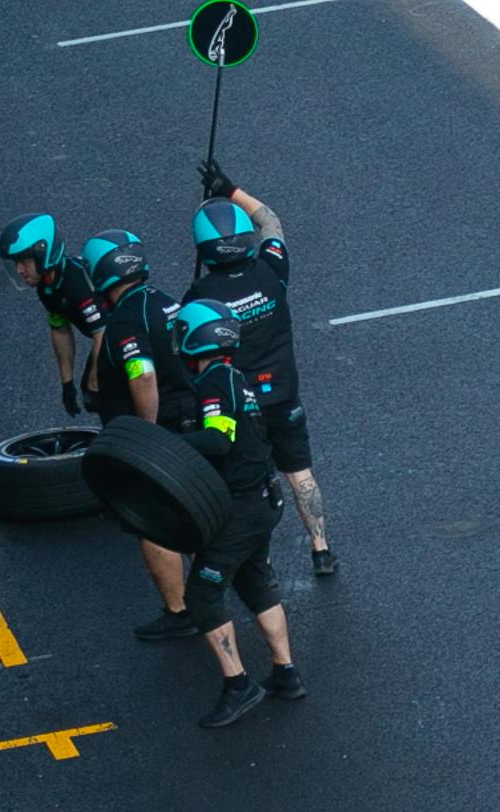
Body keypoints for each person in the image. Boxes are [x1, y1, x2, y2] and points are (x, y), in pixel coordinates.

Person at [187, 163, 334, 575]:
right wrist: (229, 189)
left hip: (240, 402)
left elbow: (189, 348)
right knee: (299, 471)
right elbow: (270, 219)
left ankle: (261, 562)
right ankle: (321, 550)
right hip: (284, 392)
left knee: (250, 482)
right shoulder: (272, 269)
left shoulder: (201, 297)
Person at [167, 301, 302, 727]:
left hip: (240, 509)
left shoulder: (212, 382)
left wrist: (169, 445)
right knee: (255, 580)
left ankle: (238, 686)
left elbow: (218, 440)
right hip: (263, 500)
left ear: (194, 339)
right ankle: (286, 674)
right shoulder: (236, 379)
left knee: (202, 595)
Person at [80, 230, 198, 643]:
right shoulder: (168, 302)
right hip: (196, 417)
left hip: (159, 428)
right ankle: (213, 590)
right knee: (200, 504)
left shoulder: (125, 321)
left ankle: (180, 609)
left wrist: (146, 439)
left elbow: (141, 374)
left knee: (152, 519)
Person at [0, 212, 104, 422]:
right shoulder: (46, 288)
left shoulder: (77, 284)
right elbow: (59, 328)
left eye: (23, 261)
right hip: (112, 337)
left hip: (128, 336)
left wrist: (94, 381)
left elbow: (104, 333)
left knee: (102, 393)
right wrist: (67, 383)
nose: (19, 270)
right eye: (15, 263)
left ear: (42, 254)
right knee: (92, 396)